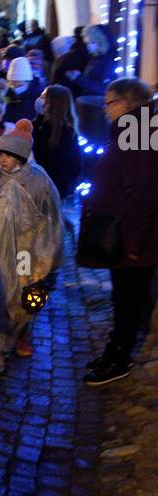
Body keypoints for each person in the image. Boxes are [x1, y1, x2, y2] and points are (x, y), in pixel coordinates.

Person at [79, 79, 158, 386]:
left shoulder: (138, 132)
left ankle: (120, 358)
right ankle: (115, 352)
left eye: (109, 102)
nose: (104, 108)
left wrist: (135, 243)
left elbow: (143, 191)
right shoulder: (135, 129)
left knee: (128, 302)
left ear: (128, 104)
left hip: (131, 239)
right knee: (123, 300)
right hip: (128, 236)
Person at [0, 121, 64, 371]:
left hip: (27, 250)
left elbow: (50, 217)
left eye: (9, 155)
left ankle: (22, 333)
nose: (3, 160)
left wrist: (48, 255)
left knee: (25, 293)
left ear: (21, 156)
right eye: (1, 154)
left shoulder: (39, 180)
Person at [32, 85, 82, 200]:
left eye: (44, 97)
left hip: (53, 189)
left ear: (53, 103)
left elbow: (71, 166)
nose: (40, 100)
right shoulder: (38, 125)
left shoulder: (66, 133)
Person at [4, 56, 42, 124]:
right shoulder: (5, 95)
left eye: (20, 85)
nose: (16, 88)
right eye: (12, 84)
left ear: (28, 82)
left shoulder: (37, 97)